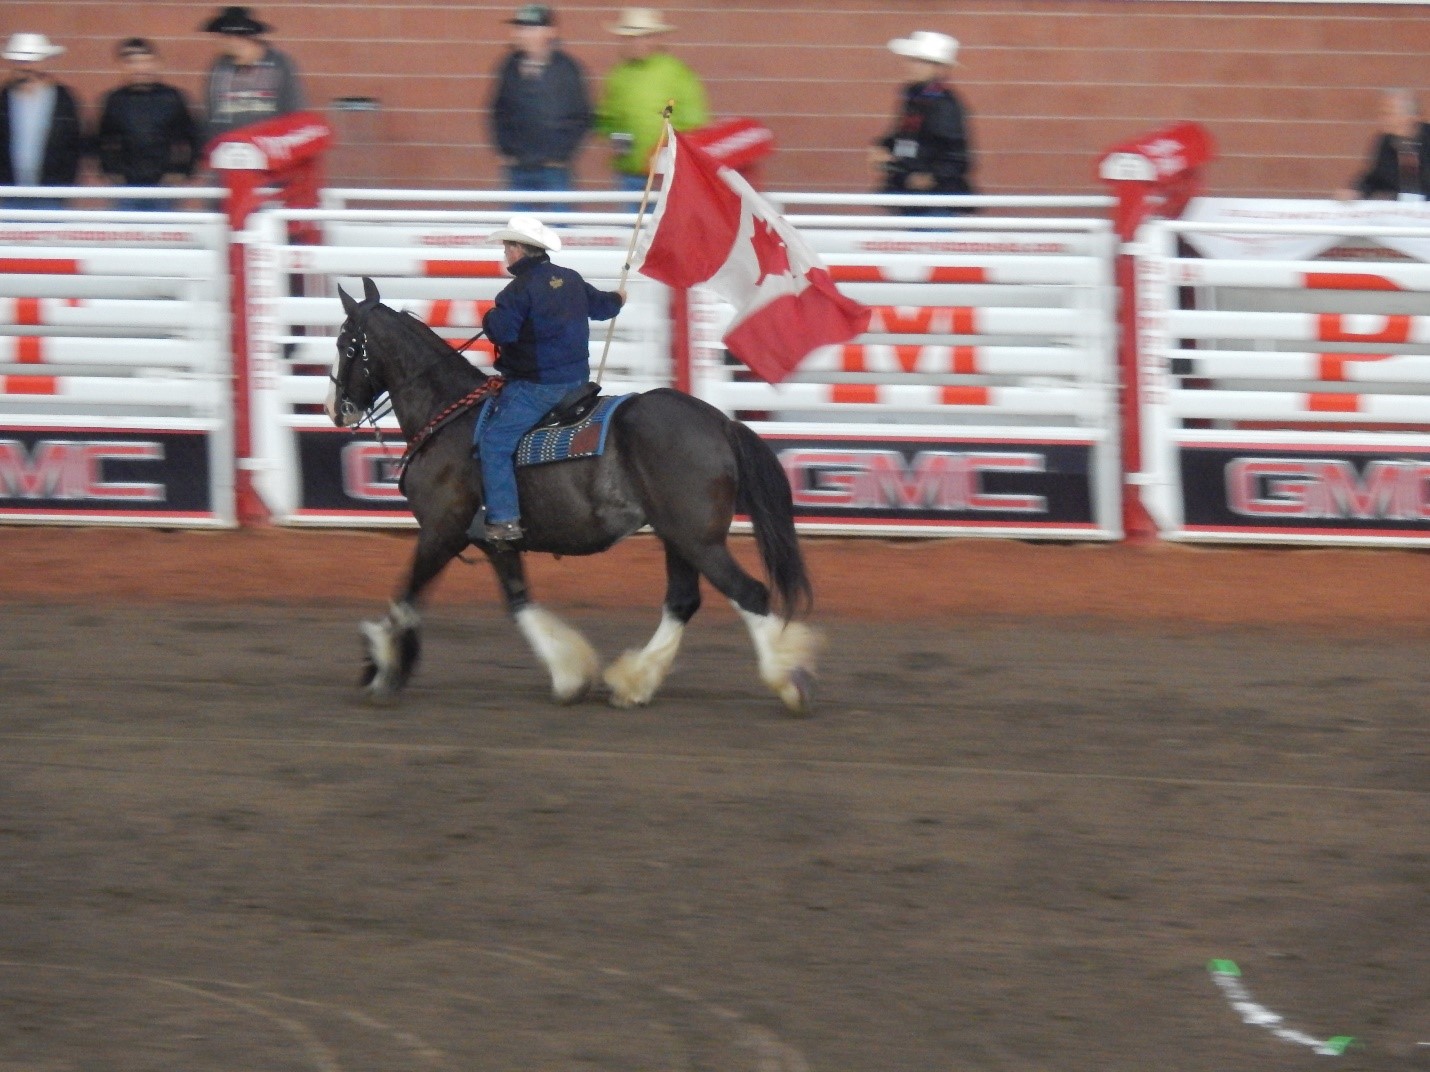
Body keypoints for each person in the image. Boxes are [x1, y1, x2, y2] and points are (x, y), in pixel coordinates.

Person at [471, 214, 625, 544]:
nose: (504, 254)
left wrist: (490, 316)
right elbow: (604, 308)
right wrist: (620, 298)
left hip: (536, 389)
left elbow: (504, 332)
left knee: (494, 444)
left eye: (506, 247)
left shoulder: (517, 290)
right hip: (578, 385)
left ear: (518, 250)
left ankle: (504, 519)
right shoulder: (571, 279)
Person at [596, 7, 708, 197]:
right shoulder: (618, 75)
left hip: (669, 173)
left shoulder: (676, 72)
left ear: (657, 39)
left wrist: (672, 151)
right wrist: (617, 139)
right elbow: (609, 119)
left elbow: (695, 121)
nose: (637, 43)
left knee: (667, 225)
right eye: (631, 37)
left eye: (644, 37)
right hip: (630, 172)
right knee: (634, 225)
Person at [488, 4, 593, 207]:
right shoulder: (508, 66)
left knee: (558, 233)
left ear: (549, 32)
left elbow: (582, 116)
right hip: (518, 168)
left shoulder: (568, 69)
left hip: (554, 170)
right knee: (519, 234)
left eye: (528, 28)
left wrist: (561, 155)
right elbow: (497, 111)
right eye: (519, 28)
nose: (520, 34)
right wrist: (504, 151)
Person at [870, 30, 975, 215]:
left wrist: (930, 177)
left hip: (934, 201)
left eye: (920, 61)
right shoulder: (914, 98)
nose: (912, 66)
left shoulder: (944, 105)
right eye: (911, 60)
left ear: (938, 69)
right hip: (909, 195)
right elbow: (903, 135)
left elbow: (958, 157)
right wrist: (883, 147)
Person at [94, 38, 202, 211]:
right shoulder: (114, 100)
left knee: (165, 236)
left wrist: (183, 170)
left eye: (146, 61)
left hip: (164, 188)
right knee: (125, 235)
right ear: (122, 66)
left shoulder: (173, 98)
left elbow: (193, 138)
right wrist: (110, 170)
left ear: (157, 63)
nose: (140, 68)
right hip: (125, 189)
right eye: (132, 62)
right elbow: (101, 139)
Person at [0, 33, 82, 208]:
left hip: (51, 193)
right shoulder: (3, 99)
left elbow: (75, 144)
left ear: (45, 63)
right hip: (9, 193)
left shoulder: (63, 99)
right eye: (19, 61)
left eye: (31, 61)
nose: (25, 67)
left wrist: (64, 184)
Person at [201, 5, 305, 141]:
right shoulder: (219, 67)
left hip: (270, 149)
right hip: (230, 151)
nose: (223, 41)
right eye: (222, 35)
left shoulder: (279, 64)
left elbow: (295, 111)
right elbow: (212, 114)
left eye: (227, 36)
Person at [1337, 88, 1430, 202]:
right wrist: (1355, 191)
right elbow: (1374, 177)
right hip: (1403, 212)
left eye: (1389, 113)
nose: (1383, 119)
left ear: (1411, 117)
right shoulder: (1385, 142)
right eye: (1382, 113)